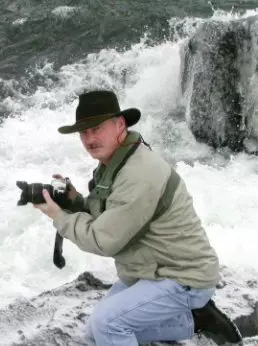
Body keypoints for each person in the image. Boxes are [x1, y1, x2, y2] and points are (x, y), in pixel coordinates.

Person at [33, 90, 242, 346]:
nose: (89, 139)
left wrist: (58, 215)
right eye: (84, 132)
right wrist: (75, 200)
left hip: (184, 277)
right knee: (94, 333)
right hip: (153, 269)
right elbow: (110, 216)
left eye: (96, 129)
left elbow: (103, 239)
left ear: (120, 124)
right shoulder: (117, 162)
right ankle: (195, 321)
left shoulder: (139, 173)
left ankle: (192, 309)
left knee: (108, 324)